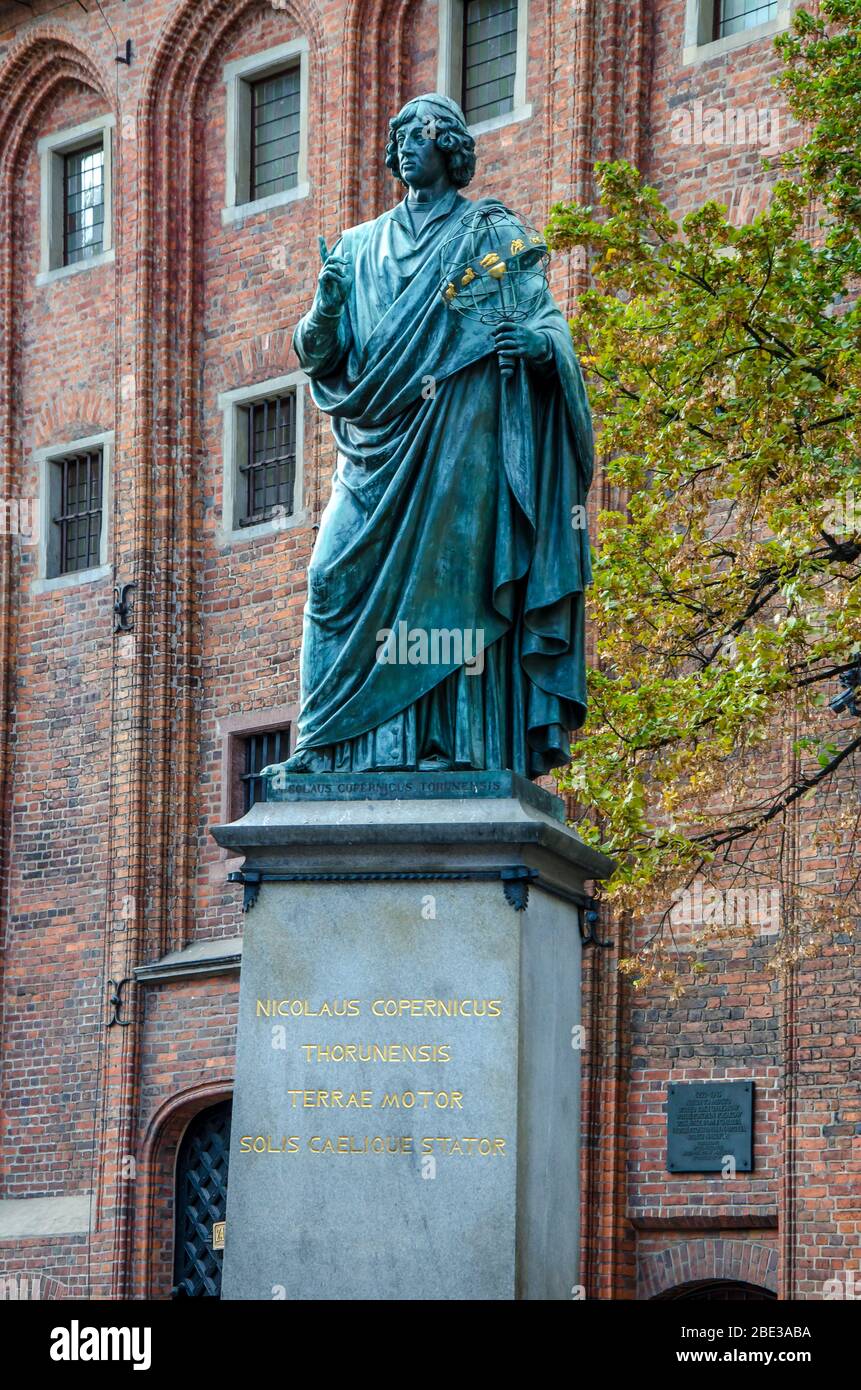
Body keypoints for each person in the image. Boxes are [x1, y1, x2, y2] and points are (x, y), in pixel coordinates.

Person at [270, 92, 593, 781]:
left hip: (461, 439)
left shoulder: (490, 234)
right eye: (400, 138)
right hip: (376, 447)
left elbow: (547, 325)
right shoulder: (356, 249)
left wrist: (535, 347)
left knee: (458, 590)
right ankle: (328, 742)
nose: (408, 146)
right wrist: (326, 306)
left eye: (423, 135)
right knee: (327, 577)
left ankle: (460, 745)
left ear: (450, 149)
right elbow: (318, 353)